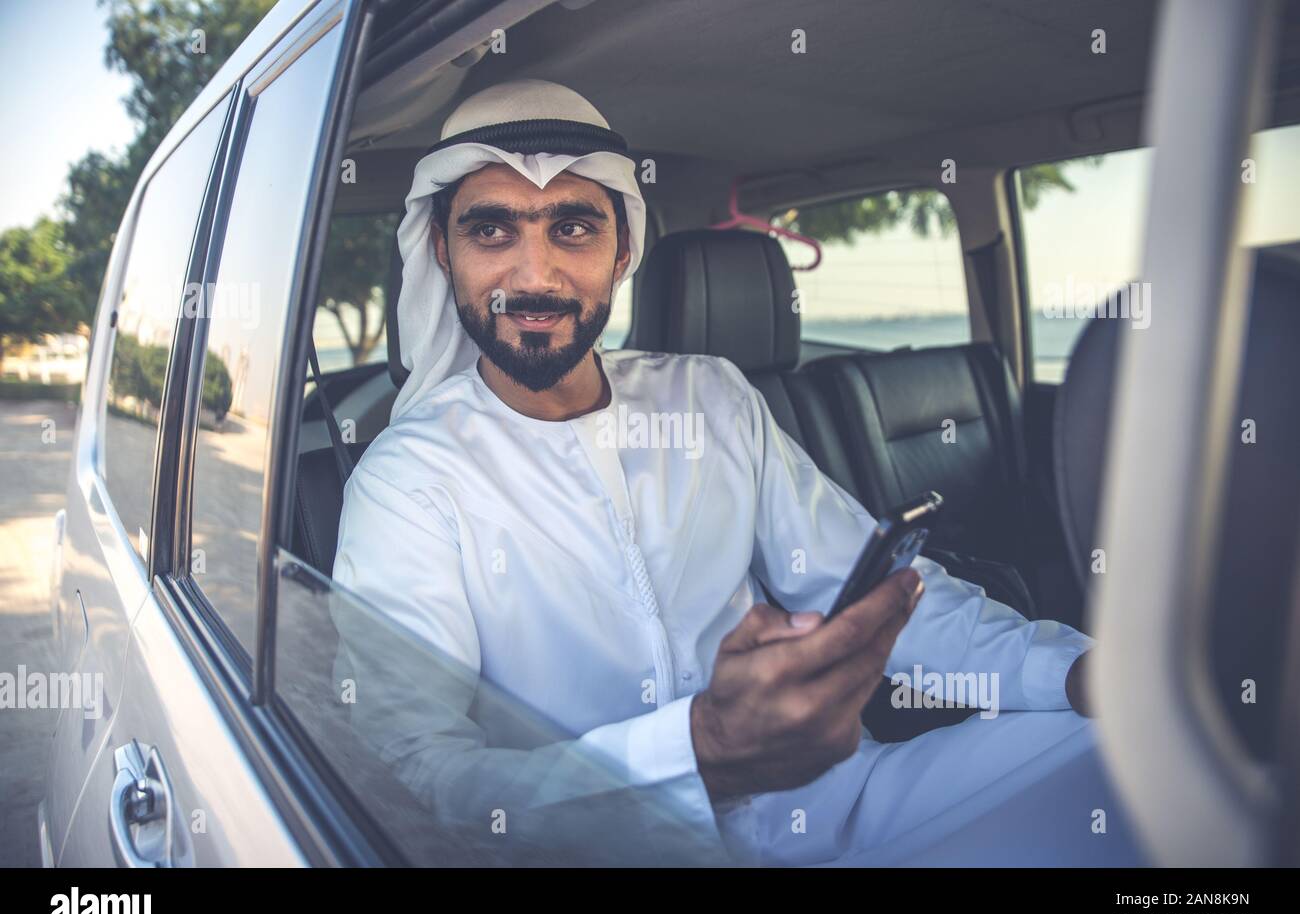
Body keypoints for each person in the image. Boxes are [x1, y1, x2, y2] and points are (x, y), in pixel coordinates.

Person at [328, 78, 1140, 866]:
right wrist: (700, 749)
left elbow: (872, 595)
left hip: (847, 809)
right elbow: (419, 780)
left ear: (623, 251)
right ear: (442, 249)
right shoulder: (407, 482)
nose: (534, 276)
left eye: (572, 228)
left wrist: (1066, 670)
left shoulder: (711, 396)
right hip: (601, 853)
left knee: (1141, 751)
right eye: (492, 231)